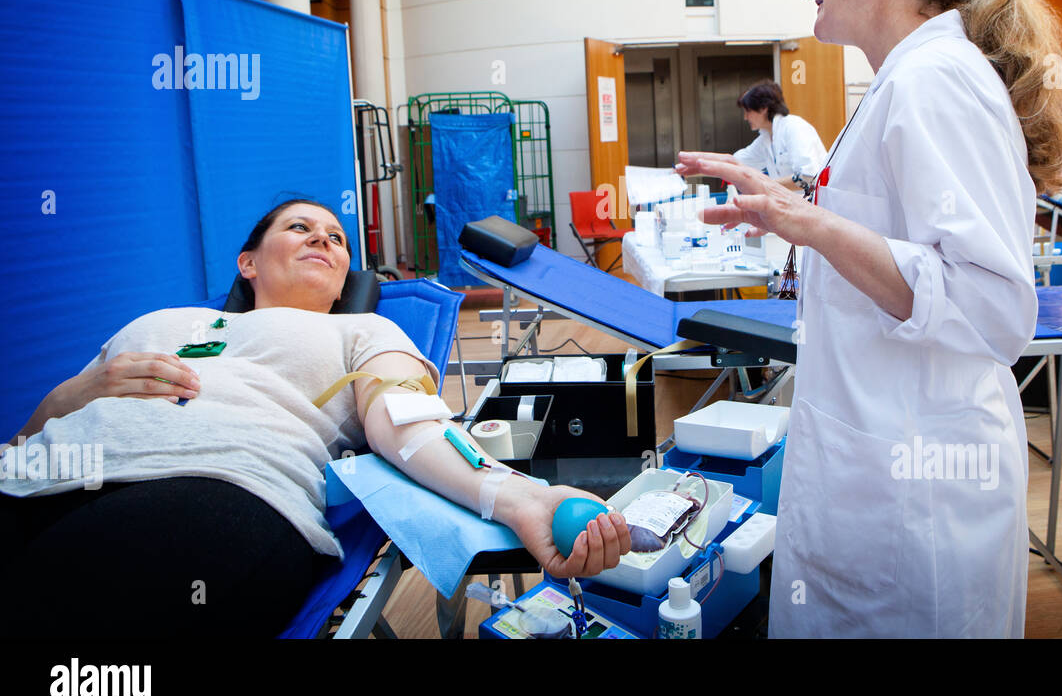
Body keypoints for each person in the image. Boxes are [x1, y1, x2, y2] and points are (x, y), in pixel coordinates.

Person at [677, 0, 1062, 637]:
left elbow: (994, 307)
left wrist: (814, 227)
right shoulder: (907, 82)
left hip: (914, 496)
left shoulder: (936, 82)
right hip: (881, 468)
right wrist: (797, 211)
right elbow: (903, 243)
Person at [0, 199, 630, 636]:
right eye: (300, 228)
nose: (322, 240)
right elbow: (26, 439)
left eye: (336, 238)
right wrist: (69, 396)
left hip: (211, 492)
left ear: (341, 285)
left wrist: (520, 497)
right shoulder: (152, 322)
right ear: (248, 263)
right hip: (40, 473)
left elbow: (409, 425)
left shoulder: (362, 329)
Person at [730, 81, 829, 192]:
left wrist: (764, 186)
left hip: (816, 204)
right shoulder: (765, 138)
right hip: (794, 205)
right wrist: (706, 163)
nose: (745, 117)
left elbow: (808, 177)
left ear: (763, 108)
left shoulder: (794, 127)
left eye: (748, 111)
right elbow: (736, 161)